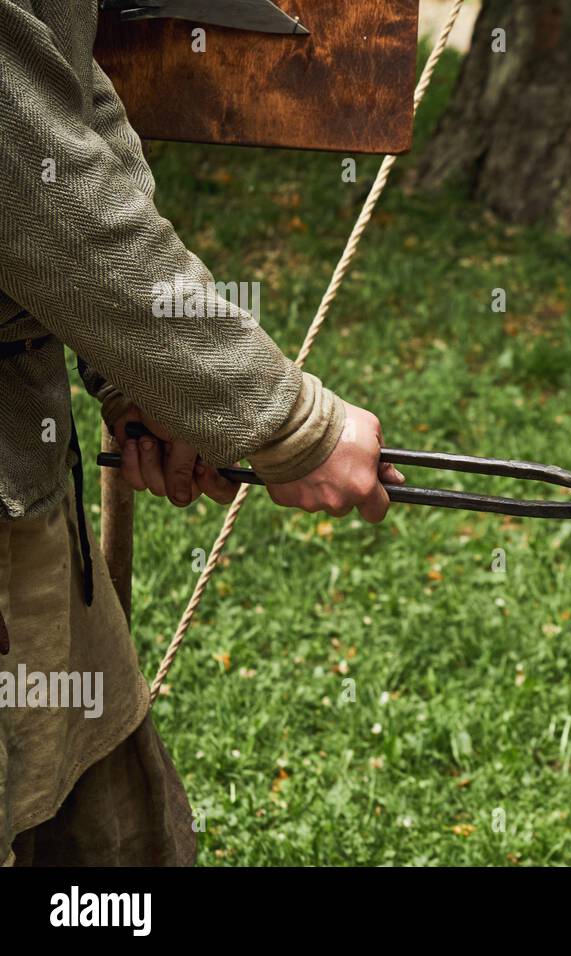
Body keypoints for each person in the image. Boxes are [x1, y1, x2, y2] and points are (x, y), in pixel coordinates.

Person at [0, 0, 400, 865]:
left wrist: (140, 380)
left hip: (23, 473)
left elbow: (68, 105)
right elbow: (24, 172)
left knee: (108, 837)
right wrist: (286, 421)